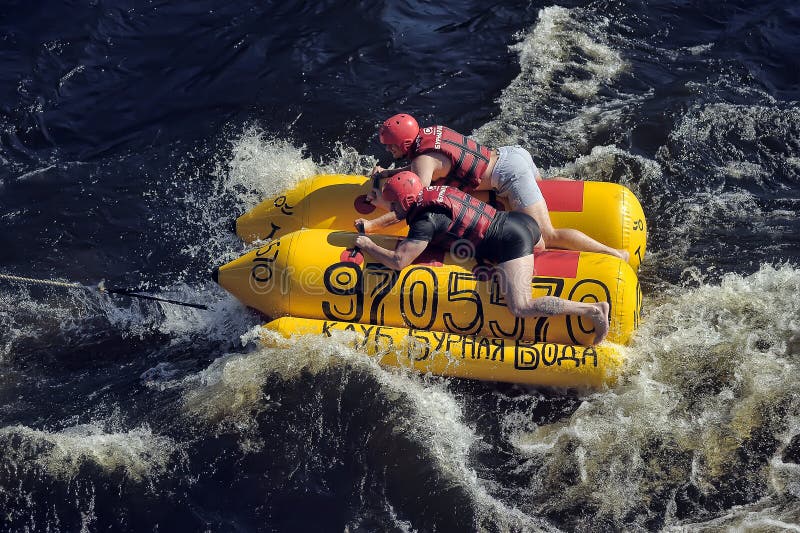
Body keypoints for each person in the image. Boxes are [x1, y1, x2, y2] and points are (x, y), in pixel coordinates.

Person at [354, 171, 610, 345]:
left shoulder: (425, 221)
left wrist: (368, 245)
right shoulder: (435, 191)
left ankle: (592, 310)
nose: (390, 209)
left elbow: (399, 261)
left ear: (406, 200)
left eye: (393, 204)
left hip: (512, 240)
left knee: (520, 306)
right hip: (521, 223)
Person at [364, 113, 628, 261]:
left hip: (508, 174)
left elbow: (416, 202)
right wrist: (390, 172)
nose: (389, 149)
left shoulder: (422, 159)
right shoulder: (429, 134)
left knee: (546, 236)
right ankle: (590, 190)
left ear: (405, 140)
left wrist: (372, 226)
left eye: (390, 145)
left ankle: (615, 254)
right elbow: (432, 166)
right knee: (542, 188)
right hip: (511, 155)